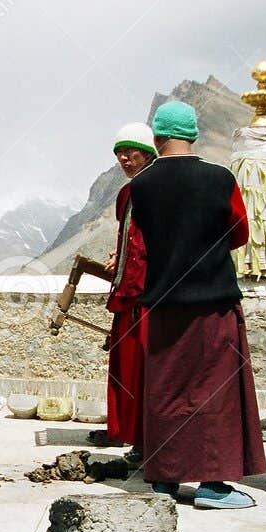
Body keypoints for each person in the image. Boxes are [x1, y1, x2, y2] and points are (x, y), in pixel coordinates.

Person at [126, 101, 265, 509]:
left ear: (157, 138)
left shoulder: (141, 186)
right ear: (193, 136)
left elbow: (143, 235)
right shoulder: (219, 178)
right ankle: (213, 487)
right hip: (213, 300)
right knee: (214, 390)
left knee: (167, 390)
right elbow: (239, 231)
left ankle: (165, 481)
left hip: (164, 301)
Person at [103, 123, 156, 459]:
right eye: (119, 153)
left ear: (148, 154)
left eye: (130, 152)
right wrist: (118, 255)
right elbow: (130, 237)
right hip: (127, 291)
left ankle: (153, 441)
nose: (123, 158)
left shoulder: (159, 188)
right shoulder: (126, 194)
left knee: (150, 370)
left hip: (150, 292)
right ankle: (137, 439)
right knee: (130, 371)